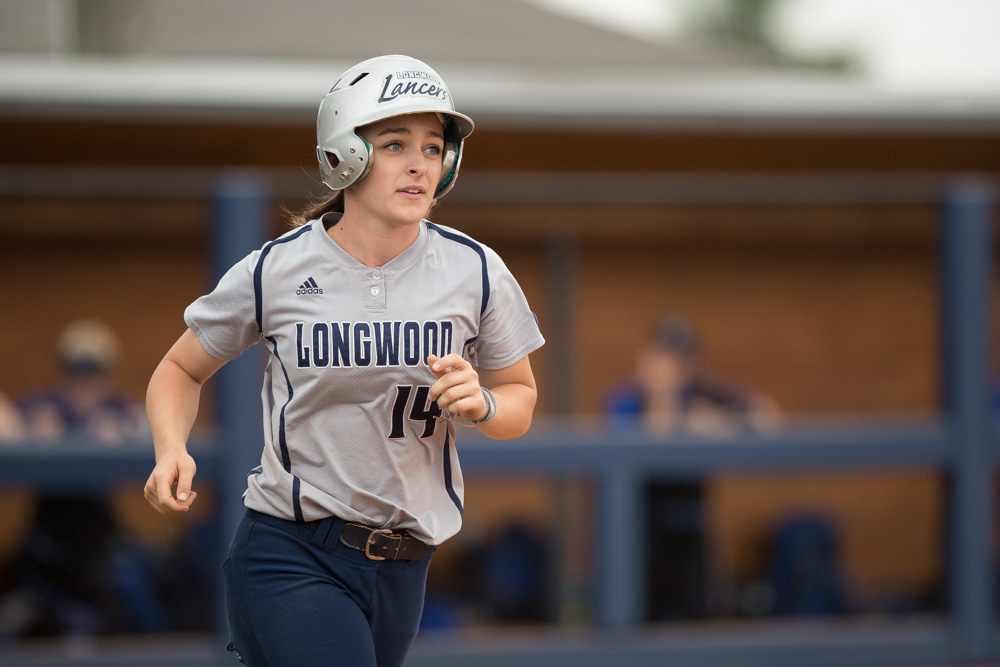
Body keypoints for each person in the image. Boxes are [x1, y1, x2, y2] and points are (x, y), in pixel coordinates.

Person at [143, 54, 544, 667]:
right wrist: (171, 447)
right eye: (393, 144)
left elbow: (520, 399)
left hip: (405, 566)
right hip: (291, 553)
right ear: (344, 154)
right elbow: (179, 369)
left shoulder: (477, 270)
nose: (418, 162)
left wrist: (486, 402)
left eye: (434, 147)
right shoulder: (276, 269)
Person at [605, 315, 780, 436]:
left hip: (684, 487)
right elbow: (647, 439)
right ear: (644, 357)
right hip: (632, 489)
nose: (669, 368)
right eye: (661, 356)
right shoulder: (625, 397)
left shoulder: (699, 389)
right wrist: (682, 420)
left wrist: (723, 423)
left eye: (680, 361)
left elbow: (766, 413)